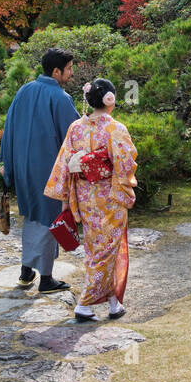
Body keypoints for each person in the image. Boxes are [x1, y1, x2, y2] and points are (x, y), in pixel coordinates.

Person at [45, 78, 138, 321]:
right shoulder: (114, 128)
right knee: (105, 250)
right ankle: (85, 304)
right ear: (110, 99)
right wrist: (122, 191)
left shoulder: (76, 127)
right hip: (108, 196)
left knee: (99, 249)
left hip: (85, 196)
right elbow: (126, 163)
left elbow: (64, 163)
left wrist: (66, 196)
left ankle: (113, 302)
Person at [0, 48, 79, 294]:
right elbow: (75, 134)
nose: (72, 73)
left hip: (23, 167)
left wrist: (7, 164)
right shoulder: (60, 97)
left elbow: (9, 127)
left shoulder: (25, 90)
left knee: (32, 217)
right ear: (56, 72)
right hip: (48, 169)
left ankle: (26, 272)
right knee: (48, 219)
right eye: (69, 69)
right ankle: (45, 278)